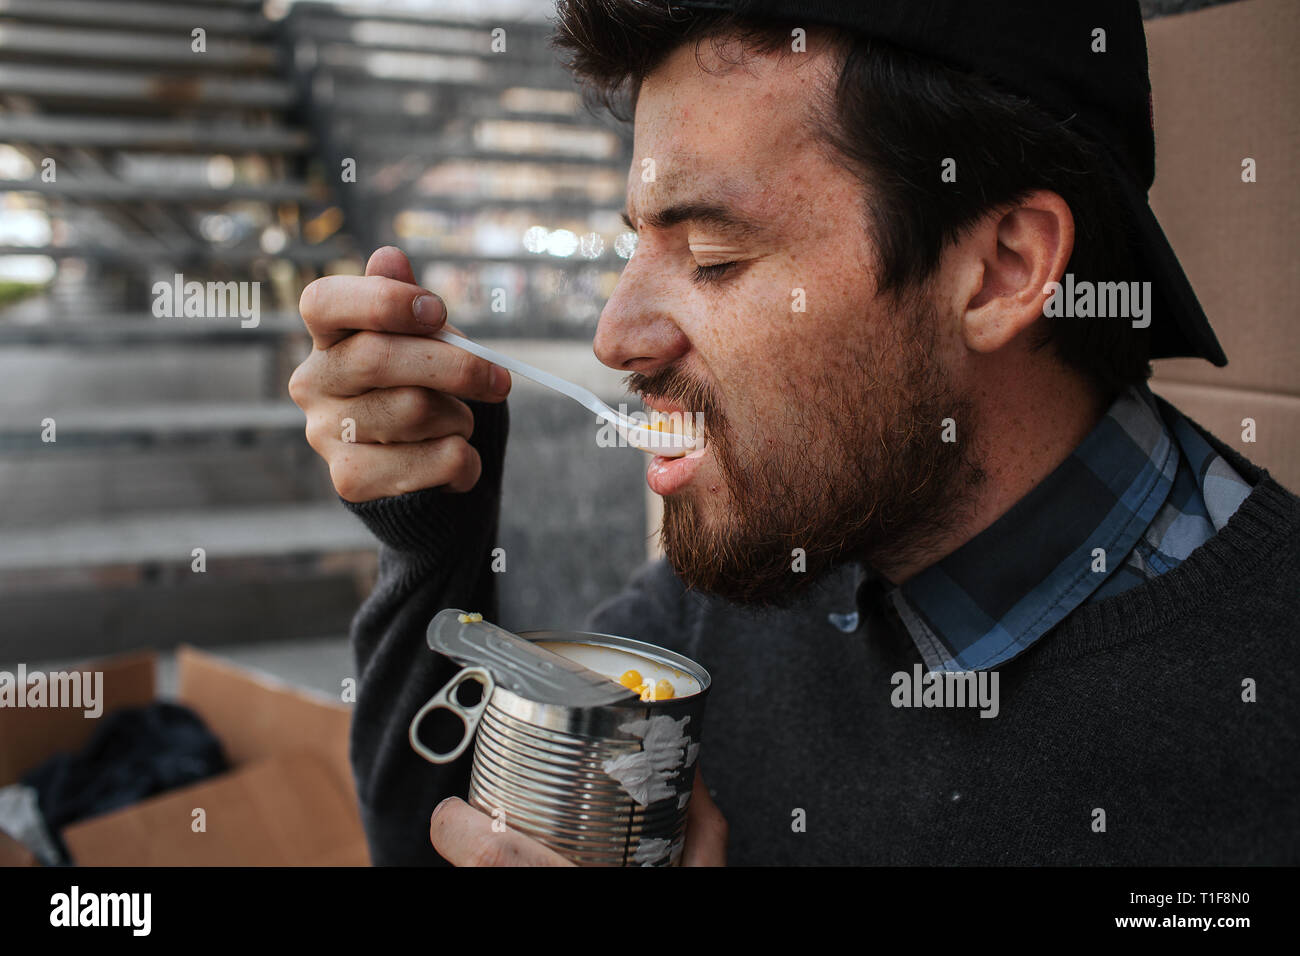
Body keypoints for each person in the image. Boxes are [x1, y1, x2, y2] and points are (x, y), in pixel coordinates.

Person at [288, 0, 1300, 865]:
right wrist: (434, 538)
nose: (615, 334)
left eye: (715, 254)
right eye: (635, 242)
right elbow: (449, 835)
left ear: (1000, 269)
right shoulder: (757, 569)